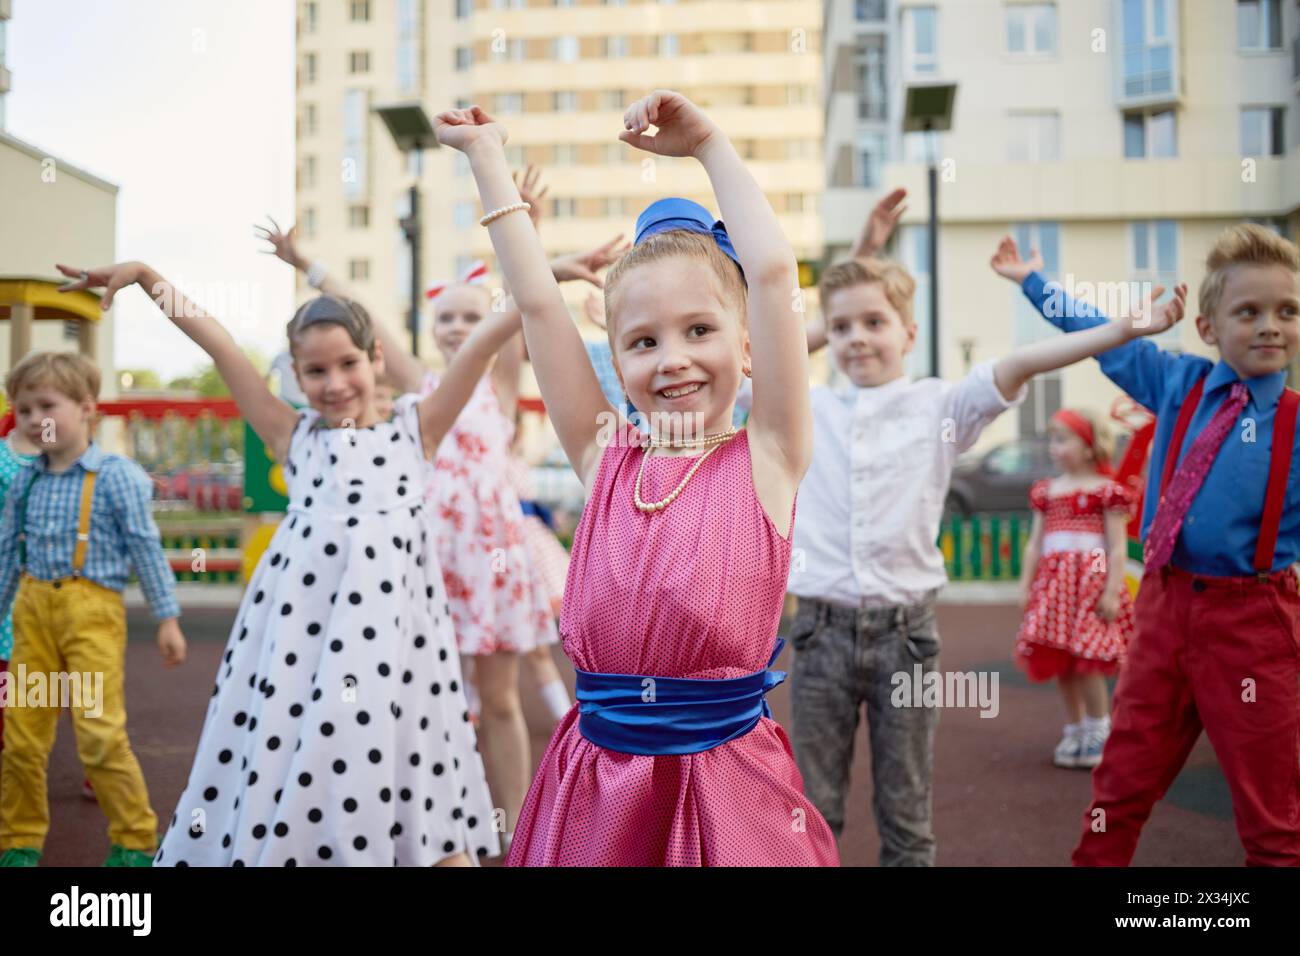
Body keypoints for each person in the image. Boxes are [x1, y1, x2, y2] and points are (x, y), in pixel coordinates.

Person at [0, 350, 187, 868]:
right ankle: (18, 839)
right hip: (32, 611)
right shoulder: (25, 479)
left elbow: (146, 549)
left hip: (90, 613)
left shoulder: (116, 475)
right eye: (25, 409)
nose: (36, 419)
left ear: (85, 408)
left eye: (47, 406)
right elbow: (6, 552)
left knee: (99, 734)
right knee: (22, 738)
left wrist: (166, 617)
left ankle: (132, 838)